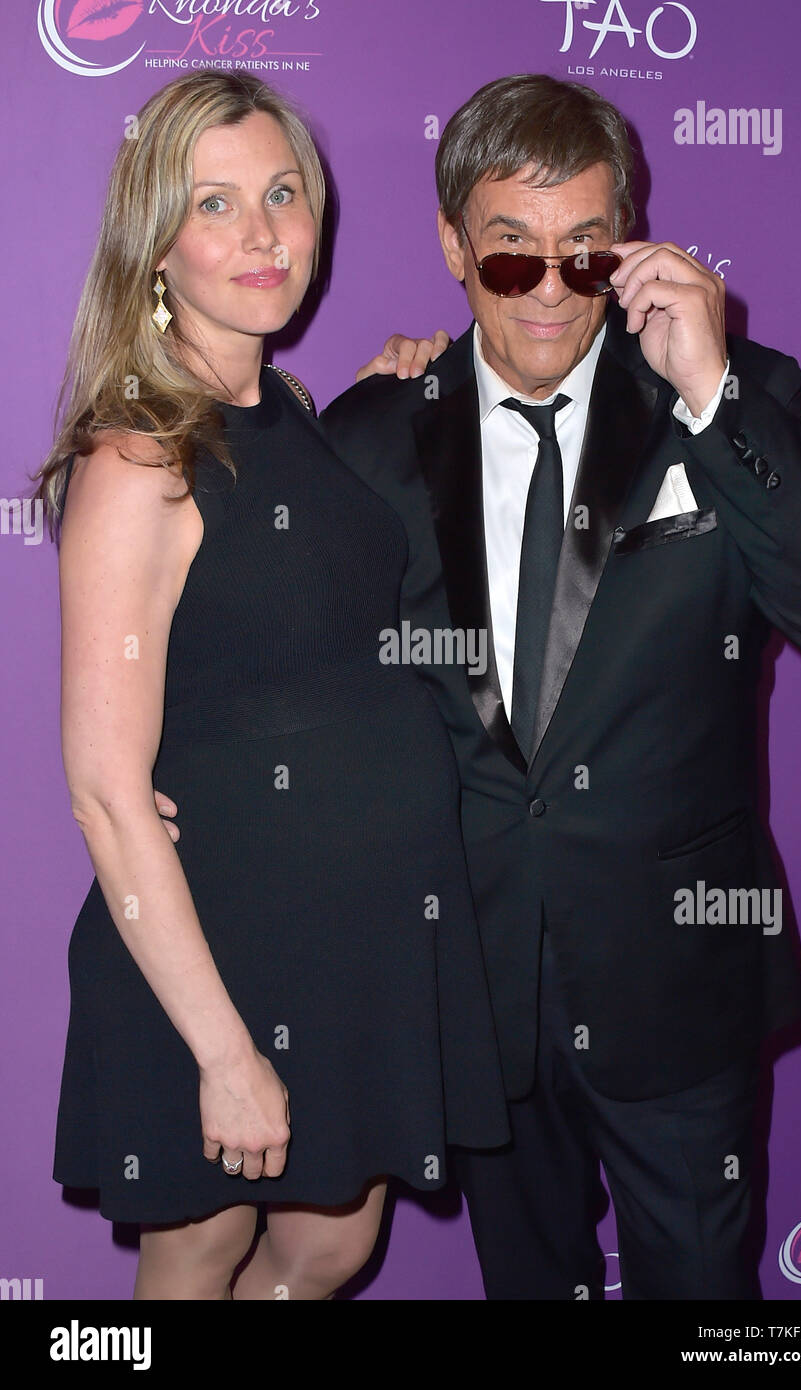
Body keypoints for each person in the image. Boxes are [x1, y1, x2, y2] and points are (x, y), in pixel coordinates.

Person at [317, 74, 801, 1299]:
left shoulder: (737, 397)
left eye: (585, 254)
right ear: (454, 246)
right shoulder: (369, 437)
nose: (552, 293)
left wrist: (710, 387)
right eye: (512, 259)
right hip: (476, 983)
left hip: (677, 980)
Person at [36, 68, 508, 1301]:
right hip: (219, 937)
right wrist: (224, 1050)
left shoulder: (294, 407)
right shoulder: (139, 455)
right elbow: (101, 786)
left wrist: (383, 385)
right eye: (216, 203)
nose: (261, 233)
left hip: (350, 937)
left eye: (282, 194)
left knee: (331, 1243)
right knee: (201, 1245)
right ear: (156, 244)